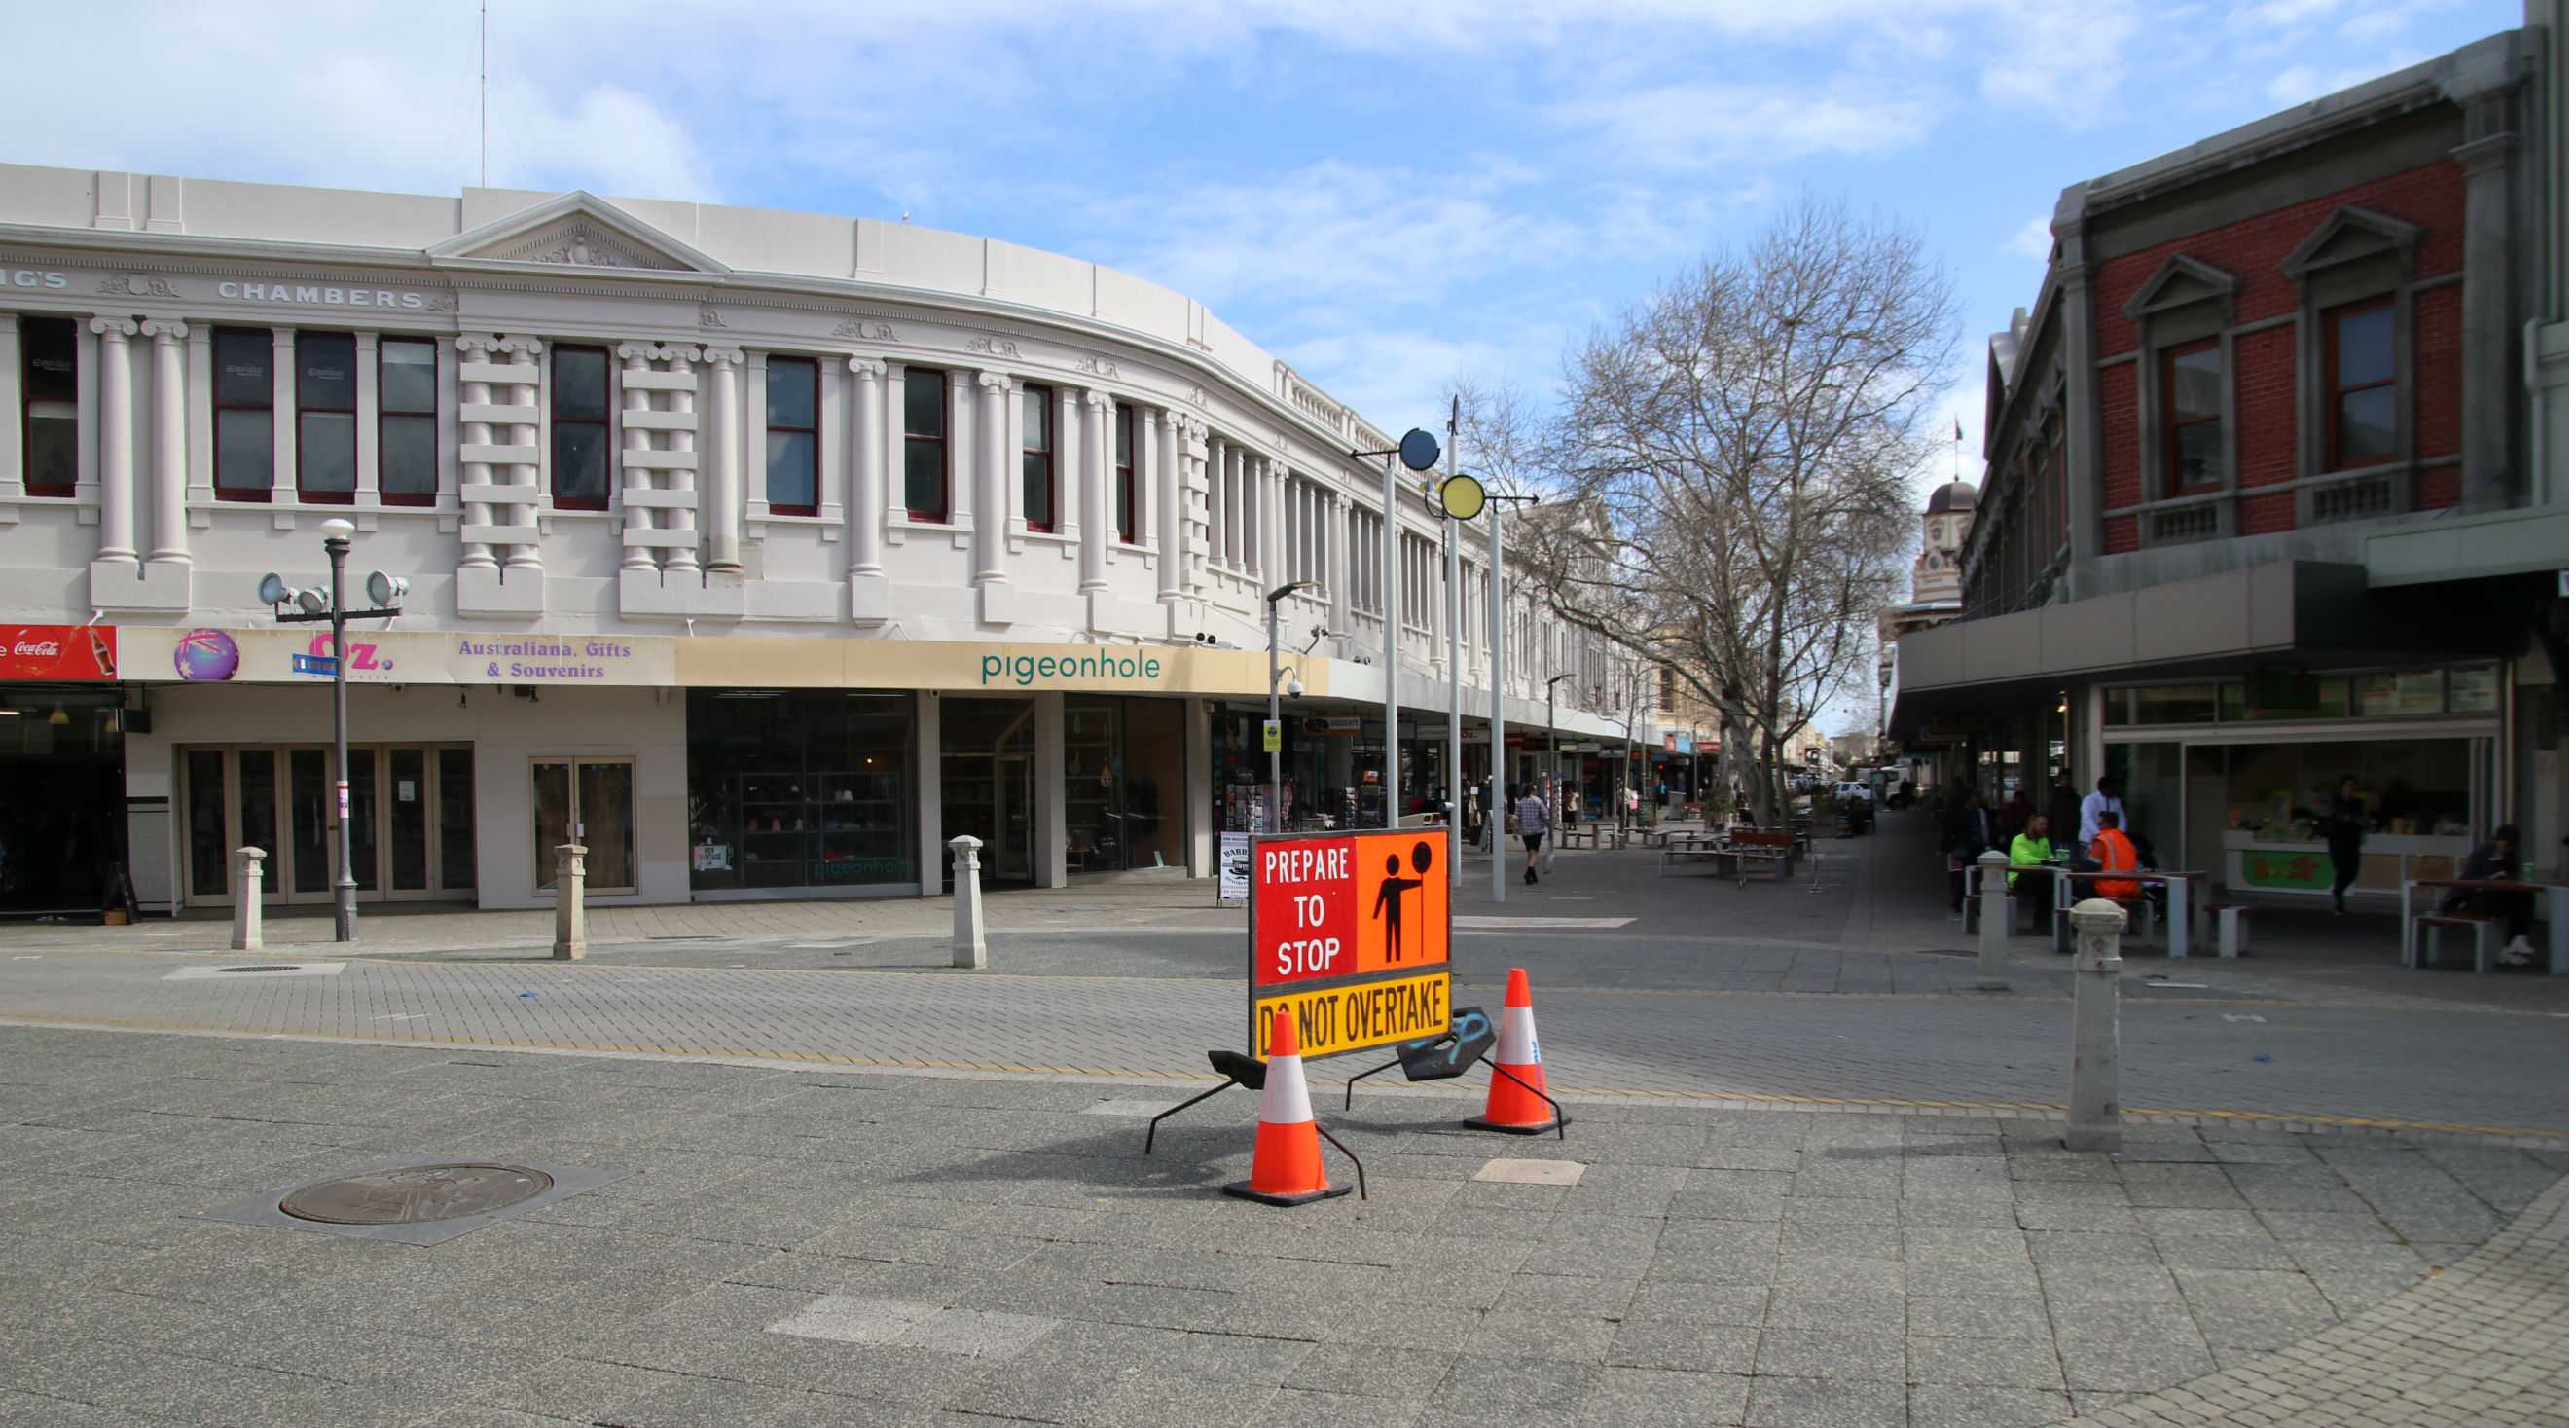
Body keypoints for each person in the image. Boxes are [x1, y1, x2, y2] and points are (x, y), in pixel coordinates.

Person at [2440, 824, 2536, 966]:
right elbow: (2467, 880)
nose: (2507, 849)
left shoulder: (2510, 855)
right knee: (2515, 899)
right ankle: (2513, 943)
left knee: (2526, 895)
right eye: (2505, 845)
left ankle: (2518, 939)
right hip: (2477, 898)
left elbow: (2512, 877)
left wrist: (2506, 876)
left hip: (2498, 897)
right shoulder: (2482, 853)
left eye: (2511, 847)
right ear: (2498, 840)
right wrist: (2450, 903)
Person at [1943, 788, 1997, 912]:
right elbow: (1952, 830)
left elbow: (1987, 828)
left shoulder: (1982, 812)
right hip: (1966, 848)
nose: (1977, 801)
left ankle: (1968, 902)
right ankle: (1963, 902)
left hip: (1981, 847)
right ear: (1969, 799)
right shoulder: (1961, 813)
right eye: (1975, 798)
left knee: (1976, 876)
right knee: (1966, 875)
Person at [2321, 776, 2367, 915]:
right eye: (2348, 785)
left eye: (2352, 785)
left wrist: (2351, 819)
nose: (2350, 788)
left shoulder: (2358, 803)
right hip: (2337, 842)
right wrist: (2343, 818)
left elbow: (2363, 820)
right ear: (2342, 787)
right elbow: (2329, 816)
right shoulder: (2334, 801)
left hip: (2353, 842)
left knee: (2352, 872)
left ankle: (2337, 892)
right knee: (2341, 870)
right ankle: (2339, 903)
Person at [2009, 814, 2055, 933]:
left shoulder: (2044, 840)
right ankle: (2042, 923)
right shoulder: (2018, 840)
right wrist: (2045, 861)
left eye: (2045, 825)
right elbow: (2025, 860)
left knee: (2051, 884)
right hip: (2019, 878)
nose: (2044, 827)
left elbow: (2049, 856)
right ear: (2032, 824)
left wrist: (2055, 860)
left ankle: (2042, 924)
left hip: (2039, 877)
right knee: (2046, 884)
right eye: (2041, 824)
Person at [2087, 808, 2141, 904]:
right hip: (2130, 889)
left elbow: (2091, 867)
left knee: (2077, 889)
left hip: (2109, 889)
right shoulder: (2127, 841)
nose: (2098, 826)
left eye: (2100, 823)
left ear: (2108, 824)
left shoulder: (2102, 840)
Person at [1514, 783, 1550, 886]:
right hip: (1536, 830)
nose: (1536, 791)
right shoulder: (1537, 801)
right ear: (1532, 791)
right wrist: (1550, 827)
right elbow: (1545, 815)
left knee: (1529, 852)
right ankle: (1528, 871)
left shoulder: (1520, 802)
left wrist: (1515, 831)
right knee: (1534, 853)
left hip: (1525, 831)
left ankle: (1532, 876)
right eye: (1535, 789)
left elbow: (1516, 818)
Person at [2079, 776, 2126, 846]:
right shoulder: (2090, 800)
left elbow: (2122, 820)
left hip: (2109, 842)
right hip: (2089, 841)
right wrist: (2099, 834)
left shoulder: (2116, 801)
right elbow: (2087, 819)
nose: (2113, 791)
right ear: (2103, 789)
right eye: (2111, 789)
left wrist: (2119, 835)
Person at [2048, 775, 2082, 853]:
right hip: (2056, 836)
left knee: (2071, 862)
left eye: (2067, 779)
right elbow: (2050, 816)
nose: (2065, 782)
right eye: (2063, 780)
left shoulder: (2076, 798)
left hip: (2072, 837)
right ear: (2060, 781)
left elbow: (2078, 817)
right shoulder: (2054, 798)